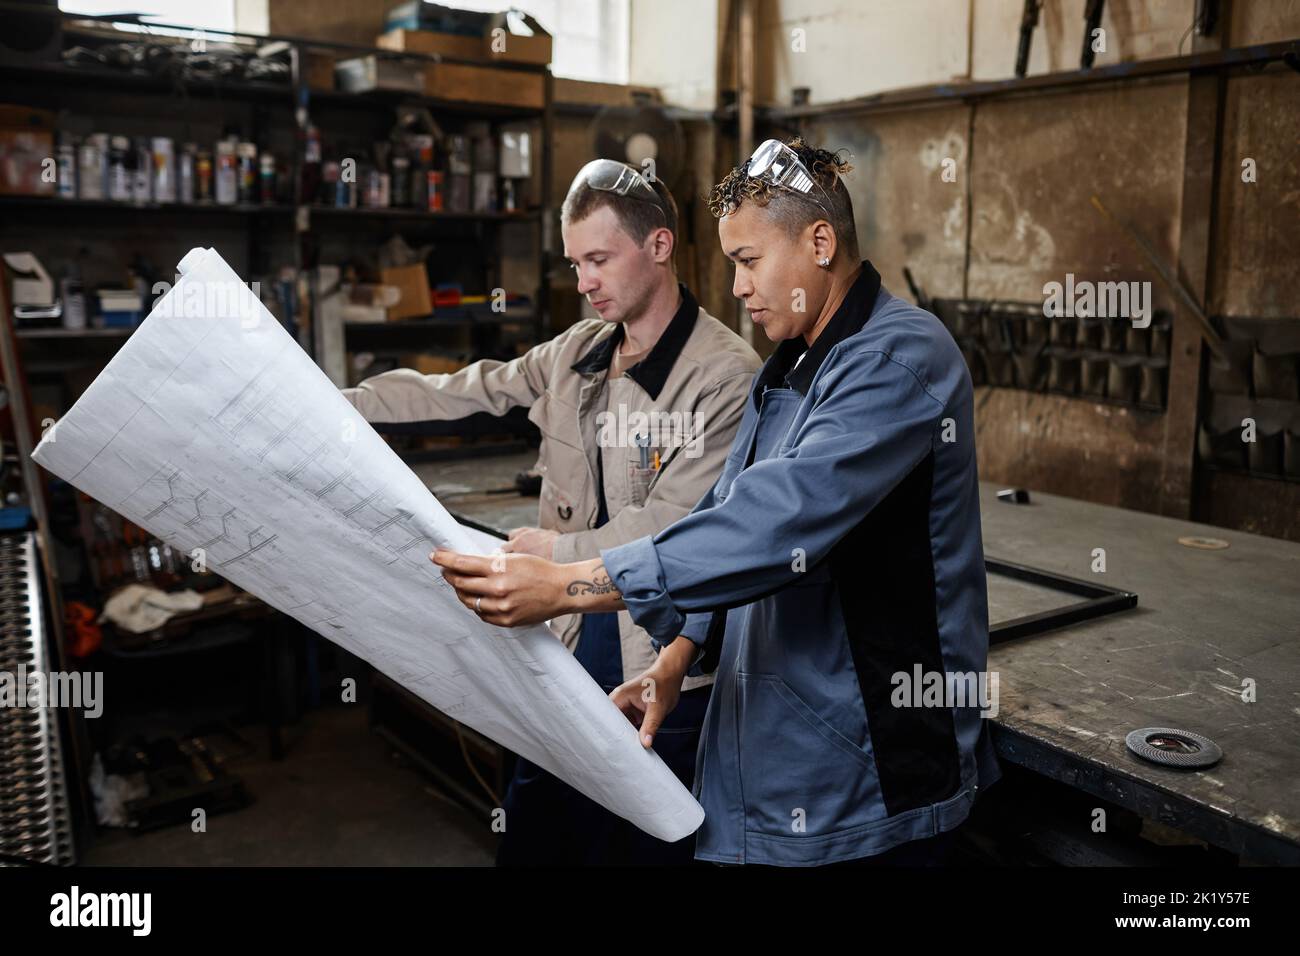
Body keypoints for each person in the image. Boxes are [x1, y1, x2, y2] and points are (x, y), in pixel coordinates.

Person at [432, 137, 1001, 866]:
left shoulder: (898, 358)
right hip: (785, 745)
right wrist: (681, 649)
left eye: (748, 260)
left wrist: (569, 584)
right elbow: (725, 512)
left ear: (820, 242)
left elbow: (772, 527)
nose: (736, 287)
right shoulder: (788, 369)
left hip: (873, 766)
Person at [343, 159, 759, 865]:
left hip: (660, 660)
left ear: (659, 246)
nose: (584, 282)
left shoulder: (724, 376)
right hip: (564, 642)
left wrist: (548, 555)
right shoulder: (579, 350)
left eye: (599, 259)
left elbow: (669, 533)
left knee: (643, 843)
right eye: (575, 264)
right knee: (539, 835)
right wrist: (333, 405)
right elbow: (463, 391)